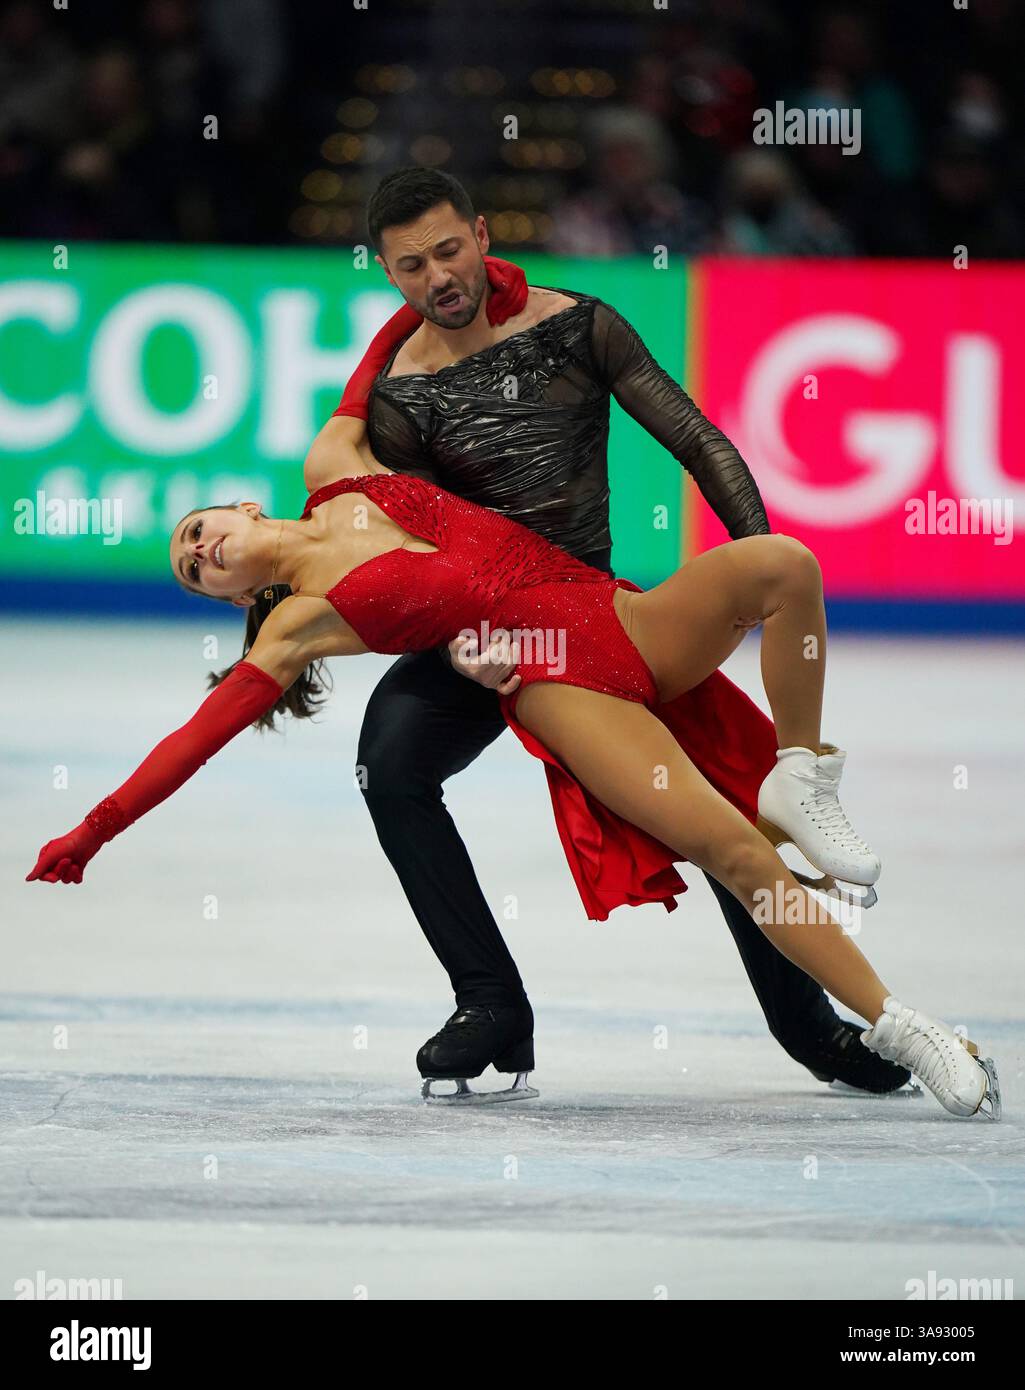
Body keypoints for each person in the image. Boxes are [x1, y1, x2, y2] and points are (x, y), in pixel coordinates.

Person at [25, 442, 1000, 1122]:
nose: (202, 553)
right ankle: (903, 1027)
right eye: (195, 572)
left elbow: (375, 373)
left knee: (782, 563)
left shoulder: (344, 487)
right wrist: (94, 828)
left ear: (239, 505)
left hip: (613, 615)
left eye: (198, 534)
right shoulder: (297, 627)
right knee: (732, 850)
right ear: (235, 597)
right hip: (552, 682)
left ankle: (801, 772)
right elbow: (195, 739)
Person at [303, 166, 907, 1095]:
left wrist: (754, 561)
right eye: (412, 266)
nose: (438, 278)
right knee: (389, 764)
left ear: (482, 231)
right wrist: (456, 643)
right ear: (388, 275)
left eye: (449, 250)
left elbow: (696, 439)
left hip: (594, 627)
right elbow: (398, 544)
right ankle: (490, 1003)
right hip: (484, 636)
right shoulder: (398, 396)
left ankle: (812, 1031)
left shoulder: (579, 325)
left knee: (718, 801)